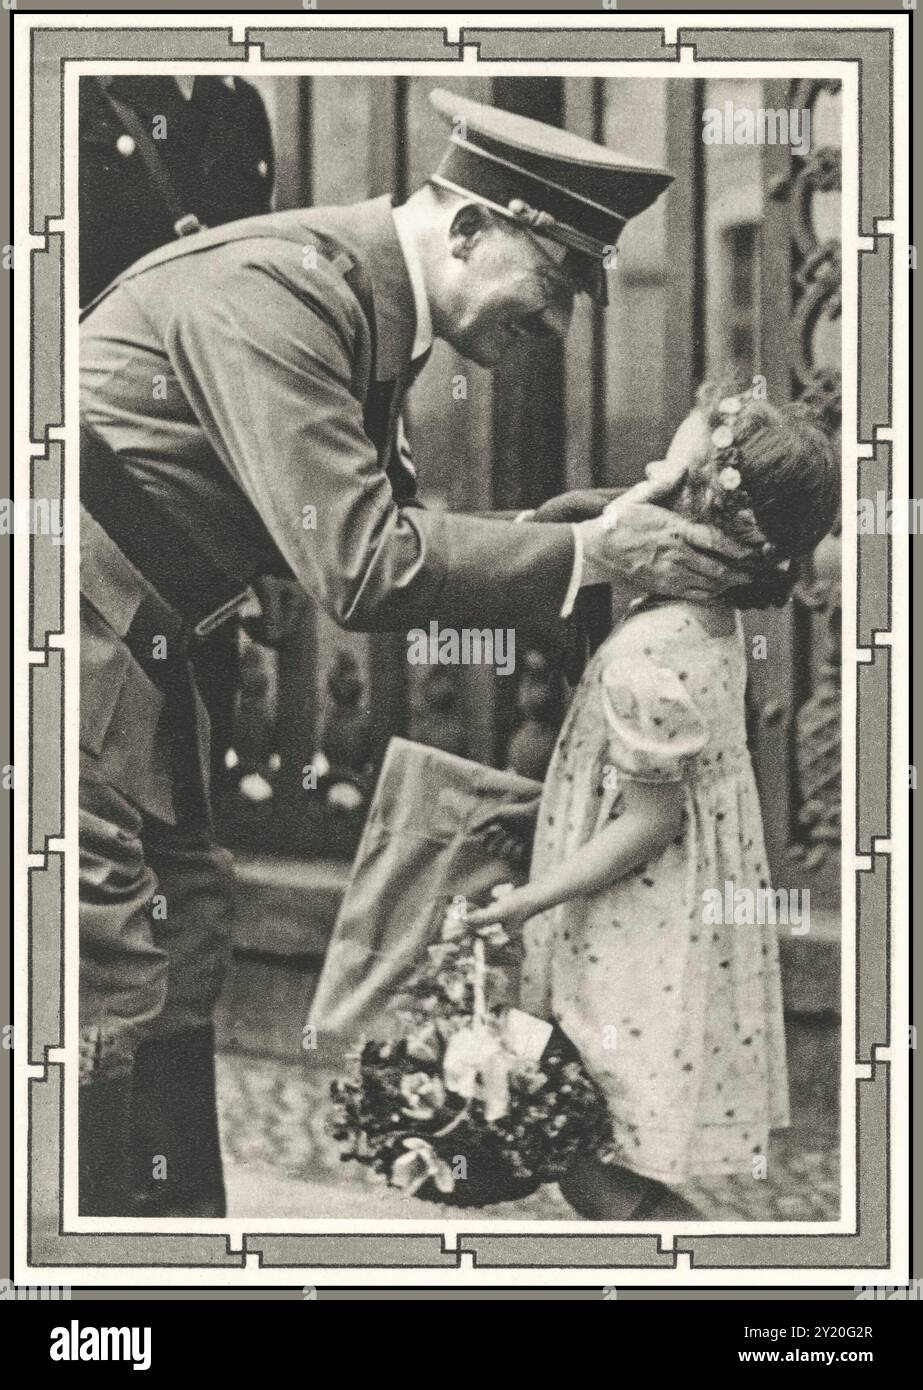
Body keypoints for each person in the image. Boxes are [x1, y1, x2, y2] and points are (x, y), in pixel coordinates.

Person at [77, 88, 757, 1215]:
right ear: (469, 225)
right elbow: (361, 566)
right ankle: (91, 1278)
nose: (550, 329)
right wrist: (590, 548)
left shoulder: (361, 303)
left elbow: (390, 530)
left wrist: (586, 528)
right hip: (70, 655)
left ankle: (170, 1241)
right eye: (549, 288)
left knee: (181, 941)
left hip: (143, 664)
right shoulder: (280, 296)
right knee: (104, 968)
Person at [466, 375, 839, 1219]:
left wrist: (527, 899)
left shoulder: (649, 649)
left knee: (592, 1159)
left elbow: (649, 818)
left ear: (702, 520)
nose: (644, 472)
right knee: (589, 1153)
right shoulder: (702, 622)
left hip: (634, 929)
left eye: (666, 475)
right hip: (668, 919)